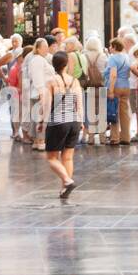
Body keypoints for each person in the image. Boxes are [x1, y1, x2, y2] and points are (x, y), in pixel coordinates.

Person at [43, 50, 84, 198]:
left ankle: (67, 181)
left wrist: (43, 122)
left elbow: (47, 105)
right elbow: (79, 103)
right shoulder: (75, 81)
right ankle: (64, 188)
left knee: (52, 158)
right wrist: (81, 121)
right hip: (74, 121)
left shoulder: (51, 81)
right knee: (68, 157)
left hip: (58, 121)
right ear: (66, 64)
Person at [105, 38, 132, 146]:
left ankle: (115, 138)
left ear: (115, 47)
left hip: (116, 87)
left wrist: (111, 90)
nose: (109, 48)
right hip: (126, 86)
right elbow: (129, 73)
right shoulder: (126, 57)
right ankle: (126, 137)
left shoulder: (113, 58)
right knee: (124, 113)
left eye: (111, 46)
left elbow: (113, 75)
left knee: (113, 112)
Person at [83, 35, 108, 145]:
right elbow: (106, 71)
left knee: (90, 112)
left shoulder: (84, 56)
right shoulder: (103, 56)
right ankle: (102, 137)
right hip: (101, 86)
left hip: (89, 86)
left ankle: (91, 138)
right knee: (102, 111)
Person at [27, 38, 51, 150]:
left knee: (37, 117)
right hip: (40, 93)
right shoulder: (38, 60)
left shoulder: (39, 59)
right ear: (38, 48)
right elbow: (38, 79)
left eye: (47, 46)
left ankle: (37, 141)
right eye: (44, 47)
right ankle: (40, 140)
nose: (47, 49)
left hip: (39, 93)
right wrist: (42, 95)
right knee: (41, 118)